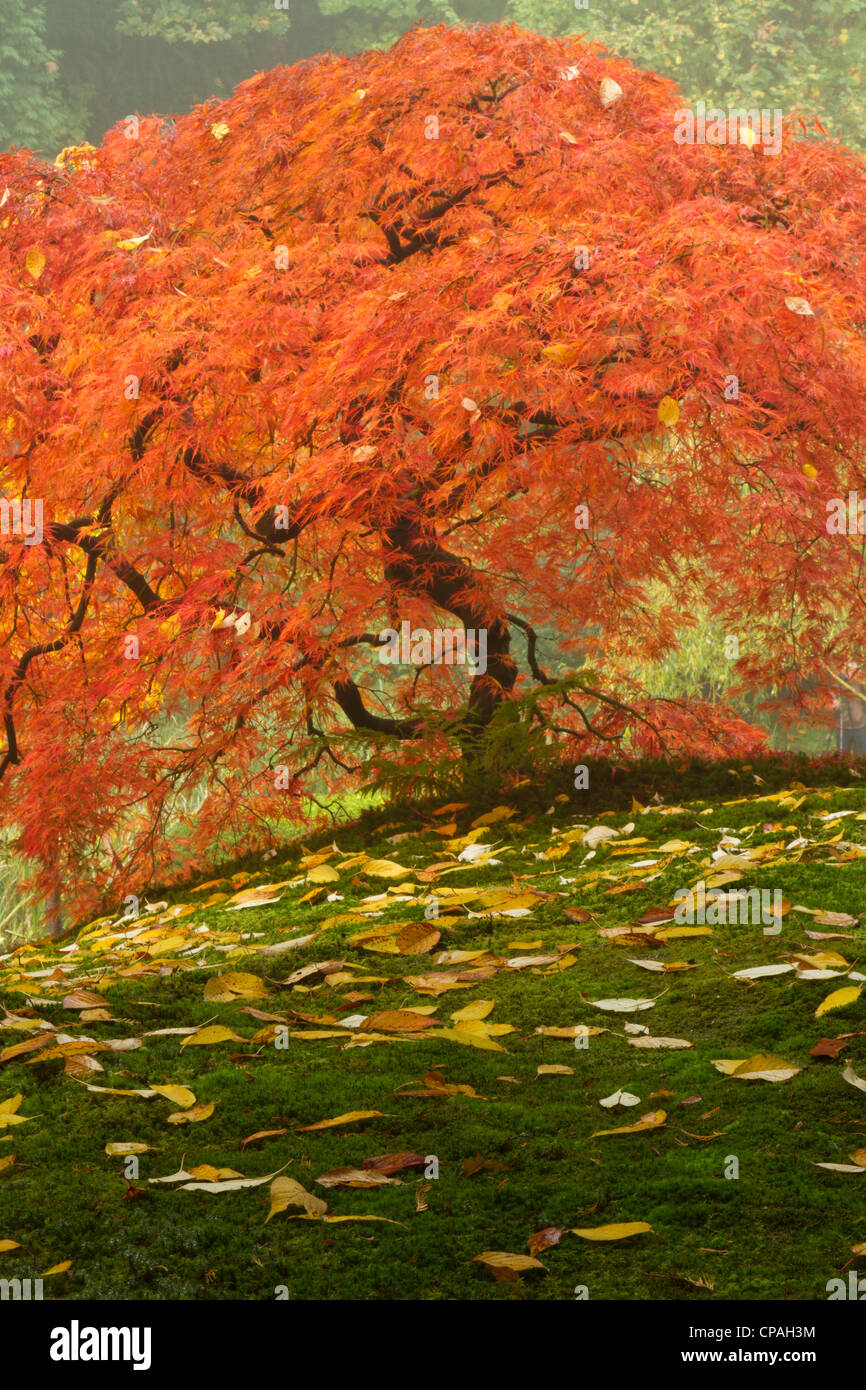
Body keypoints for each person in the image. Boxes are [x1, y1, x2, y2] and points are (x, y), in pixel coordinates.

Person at [835, 661, 866, 755]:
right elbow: (830, 704)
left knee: (862, 757)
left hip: (860, 727)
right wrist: (835, 705)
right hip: (843, 728)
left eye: (853, 670)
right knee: (843, 758)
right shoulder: (838, 686)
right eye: (847, 670)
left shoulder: (862, 685)